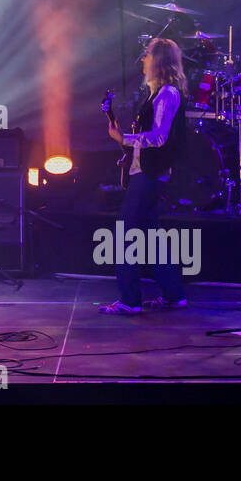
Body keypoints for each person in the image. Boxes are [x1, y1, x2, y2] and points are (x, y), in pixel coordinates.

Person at [100, 38, 189, 314]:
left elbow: (160, 137)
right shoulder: (155, 94)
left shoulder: (167, 94)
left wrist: (126, 139)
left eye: (148, 55)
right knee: (151, 235)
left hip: (150, 174)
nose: (143, 60)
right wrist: (128, 151)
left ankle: (129, 300)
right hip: (145, 170)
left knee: (125, 233)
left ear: (159, 61)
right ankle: (175, 294)